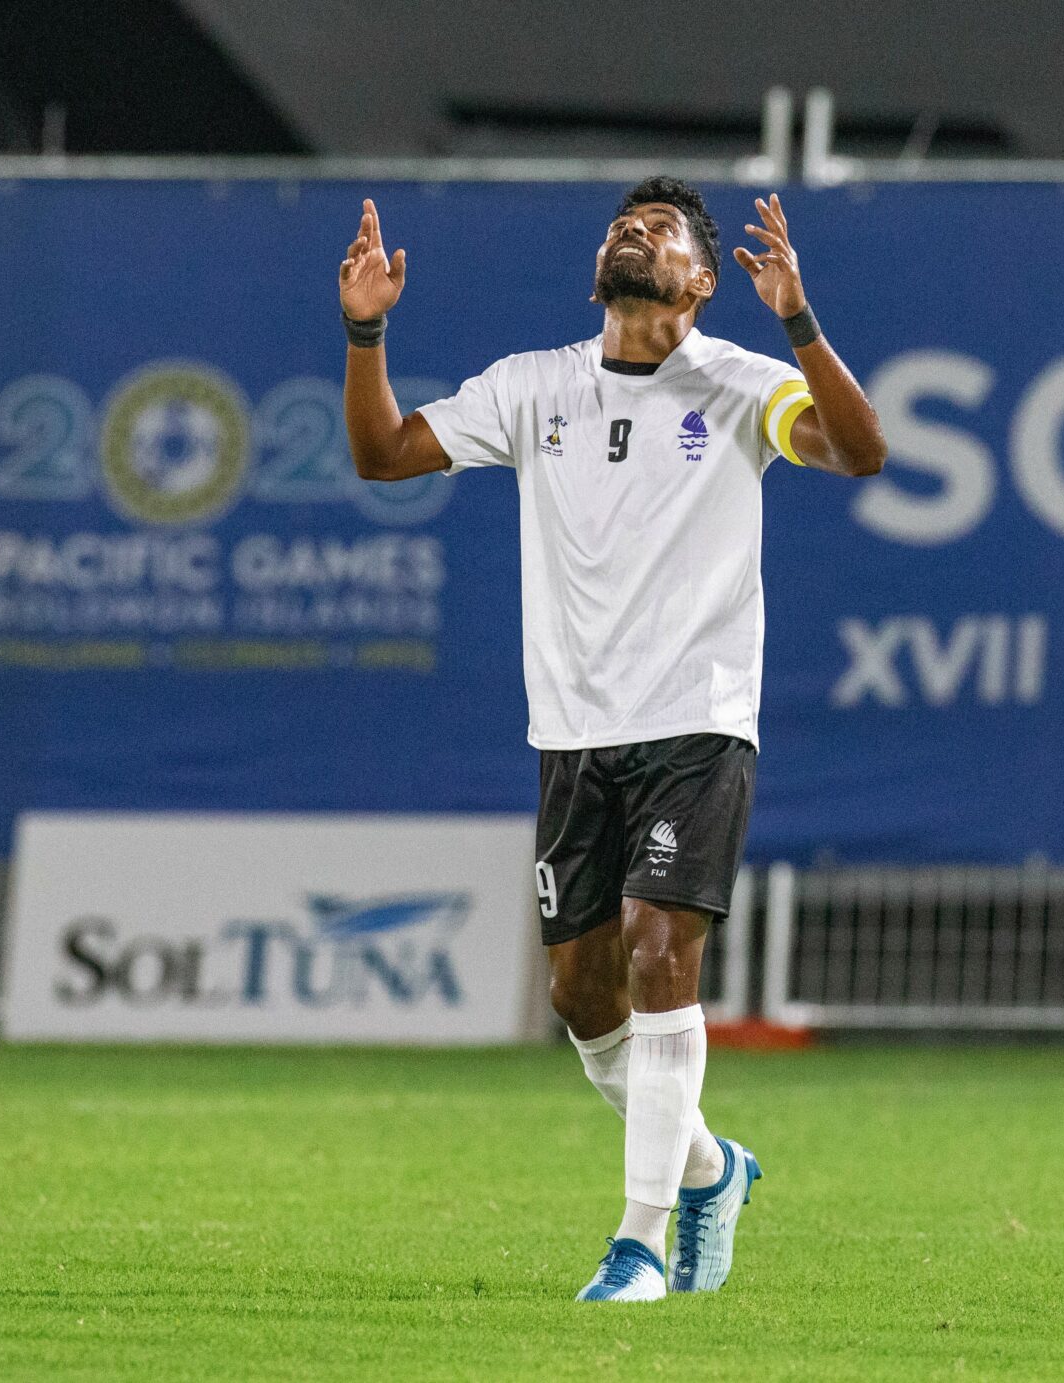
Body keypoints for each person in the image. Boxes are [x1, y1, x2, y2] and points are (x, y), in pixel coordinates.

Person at [339, 176, 886, 1302]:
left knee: (655, 954)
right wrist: (364, 331)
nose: (628, 236)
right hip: (573, 733)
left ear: (695, 279)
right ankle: (706, 1167)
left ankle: (637, 1244)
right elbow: (383, 454)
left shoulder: (739, 384)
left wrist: (797, 318)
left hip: (696, 720)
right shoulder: (534, 386)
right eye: (618, 228)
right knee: (583, 1000)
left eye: (657, 232)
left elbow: (858, 449)